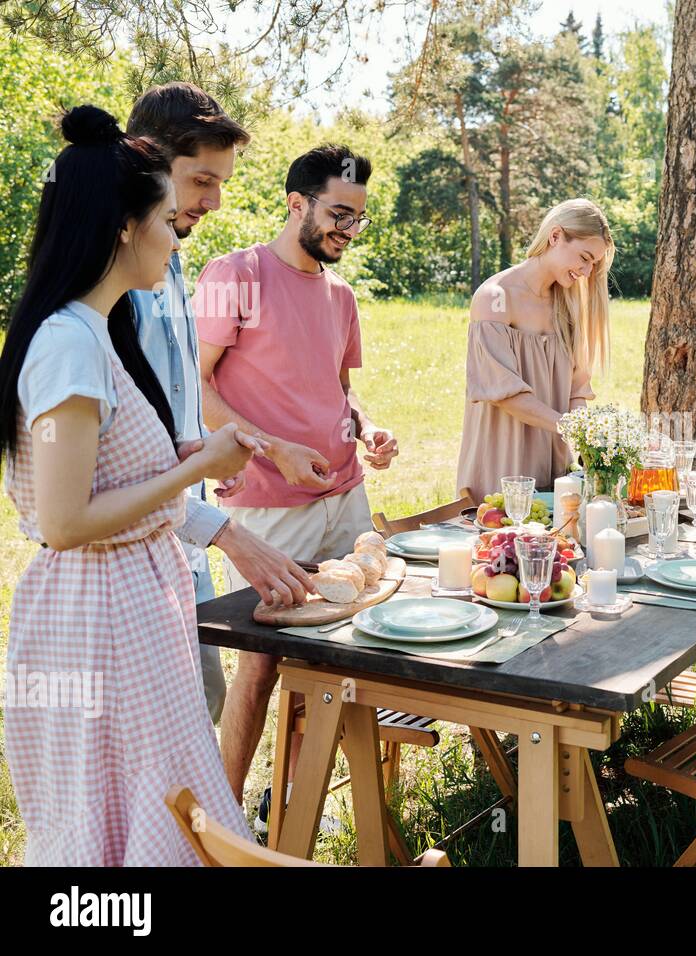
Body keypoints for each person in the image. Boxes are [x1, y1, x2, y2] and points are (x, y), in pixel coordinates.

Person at [0, 106, 254, 864]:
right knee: (123, 829)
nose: (177, 239)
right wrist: (197, 470)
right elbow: (65, 521)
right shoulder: (68, 345)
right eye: (169, 222)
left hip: (130, 607)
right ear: (123, 226)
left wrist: (200, 456)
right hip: (97, 616)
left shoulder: (94, 333)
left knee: (150, 817)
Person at [195, 143, 398, 827]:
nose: (350, 229)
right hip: (266, 504)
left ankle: (287, 806)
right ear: (297, 203)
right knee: (261, 666)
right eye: (340, 213)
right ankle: (223, 823)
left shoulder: (341, 296)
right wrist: (274, 449)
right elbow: (192, 388)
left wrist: (368, 429)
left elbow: (340, 392)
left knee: (340, 648)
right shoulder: (234, 273)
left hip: (344, 499)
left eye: (359, 220)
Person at [124, 82, 314, 725]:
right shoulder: (111, 279)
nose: (215, 200)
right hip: (133, 557)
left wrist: (200, 450)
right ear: (144, 160)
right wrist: (230, 535)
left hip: (182, 537)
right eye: (202, 179)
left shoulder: (171, 260)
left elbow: (164, 407)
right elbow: (111, 465)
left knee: (200, 706)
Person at [455, 198, 613, 502]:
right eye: (584, 257)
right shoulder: (494, 298)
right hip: (502, 461)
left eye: (593, 263)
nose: (587, 270)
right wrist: (574, 429)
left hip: (555, 468)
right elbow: (507, 394)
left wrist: (586, 442)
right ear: (555, 236)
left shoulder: (569, 305)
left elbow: (576, 391)